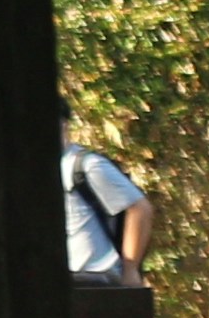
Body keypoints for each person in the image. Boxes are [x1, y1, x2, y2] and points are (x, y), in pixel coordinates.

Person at [65, 109, 157, 281]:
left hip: (97, 280)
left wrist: (130, 270)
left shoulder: (86, 165)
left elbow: (140, 209)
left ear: (65, 124)